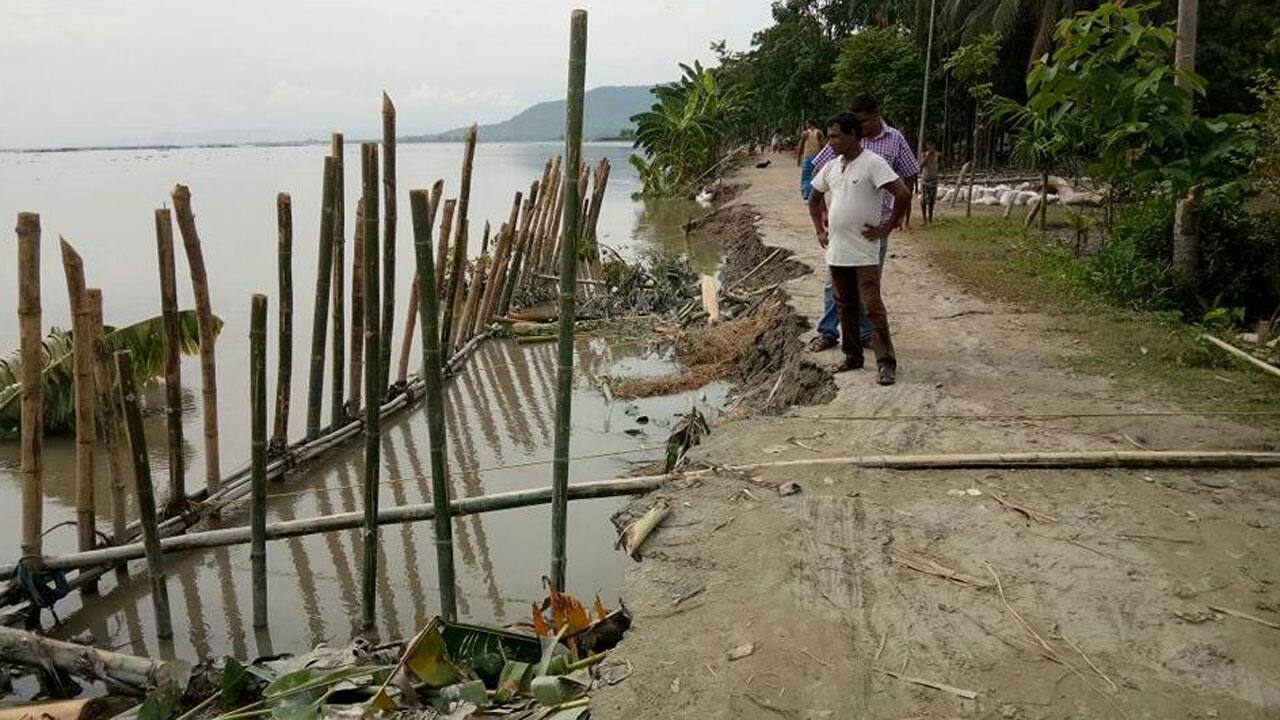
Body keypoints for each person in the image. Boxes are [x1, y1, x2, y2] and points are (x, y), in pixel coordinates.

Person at [807, 95, 919, 353]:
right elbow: (819, 174)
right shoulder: (841, 146)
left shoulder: (892, 142)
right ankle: (829, 332)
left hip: (872, 230)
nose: (861, 127)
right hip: (841, 234)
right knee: (834, 286)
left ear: (877, 114)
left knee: (869, 289)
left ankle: (870, 338)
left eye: (865, 121)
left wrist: (893, 220)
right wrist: (823, 217)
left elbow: (907, 178)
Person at [797, 119, 825, 201]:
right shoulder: (819, 133)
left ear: (809, 124)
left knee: (806, 176)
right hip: (817, 157)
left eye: (806, 124)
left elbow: (801, 146)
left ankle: (806, 194)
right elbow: (823, 145)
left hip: (807, 157)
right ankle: (815, 195)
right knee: (816, 176)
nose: (806, 125)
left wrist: (799, 157)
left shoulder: (805, 133)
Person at [918, 140, 940, 225]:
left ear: (934, 145)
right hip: (925, 180)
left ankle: (930, 219)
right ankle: (924, 220)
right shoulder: (923, 154)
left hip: (934, 180)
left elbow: (940, 165)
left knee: (931, 202)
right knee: (923, 201)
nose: (930, 147)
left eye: (931, 145)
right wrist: (927, 156)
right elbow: (921, 166)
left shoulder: (937, 155)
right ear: (926, 146)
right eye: (928, 145)